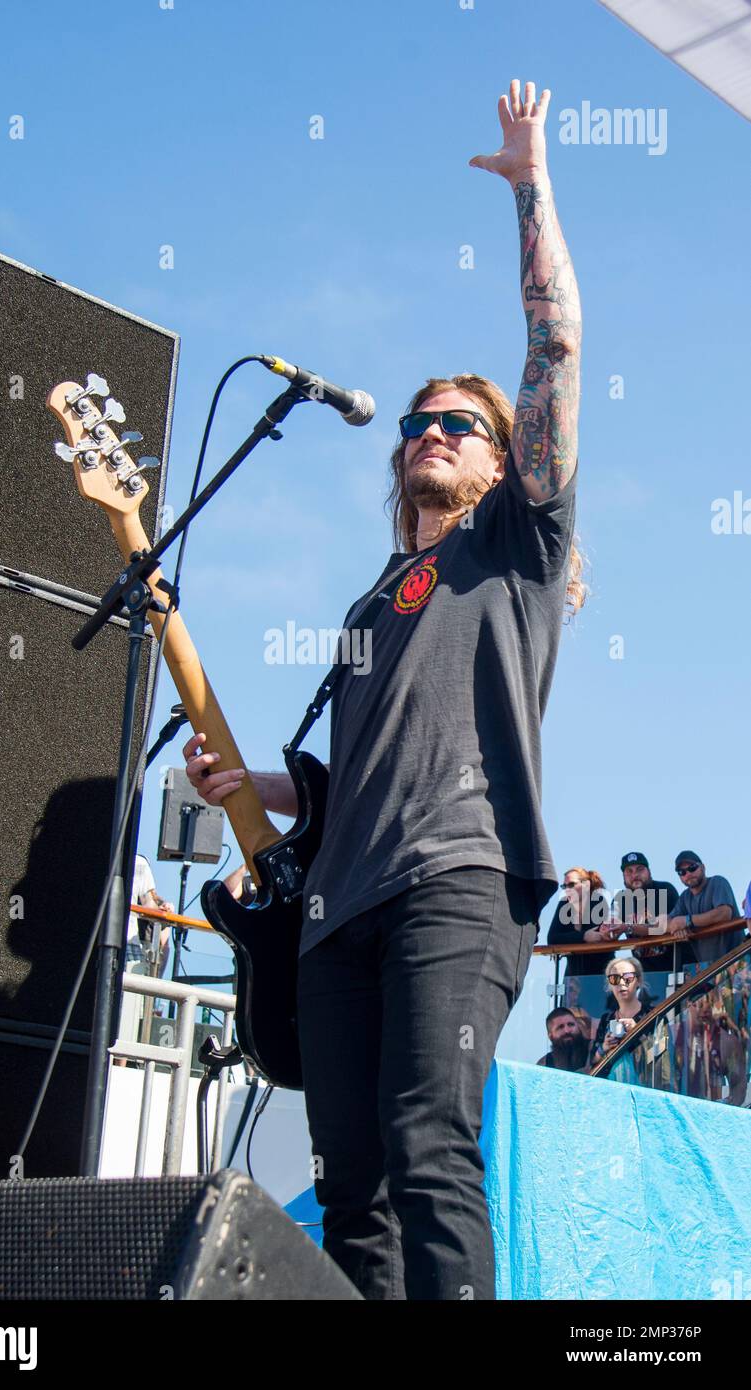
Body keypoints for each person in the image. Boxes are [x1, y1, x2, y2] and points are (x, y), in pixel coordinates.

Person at [184, 78, 583, 1301]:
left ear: (501, 452)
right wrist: (263, 784)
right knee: (352, 1187)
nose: (426, 432)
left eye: (456, 422)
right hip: (334, 910)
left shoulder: (511, 545)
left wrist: (529, 185)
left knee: (426, 1152)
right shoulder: (370, 602)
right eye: (413, 421)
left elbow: (554, 345)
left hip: (456, 879)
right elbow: (351, 772)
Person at [115, 853, 175, 1062]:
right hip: (98, 937)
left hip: (128, 942)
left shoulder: (139, 862)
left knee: (127, 1012)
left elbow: (148, 900)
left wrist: (162, 907)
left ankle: (120, 1066)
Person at [654, 852, 745, 972]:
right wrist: (676, 927)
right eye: (682, 872)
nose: (688, 874)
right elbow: (664, 923)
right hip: (708, 971)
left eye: (692, 868)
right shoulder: (685, 897)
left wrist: (687, 921)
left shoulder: (717, 882)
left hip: (737, 962)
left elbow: (724, 913)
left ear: (703, 867)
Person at [611, 851, 679, 970]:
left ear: (649, 872)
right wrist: (609, 932)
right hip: (643, 974)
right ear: (623, 877)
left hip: (675, 967)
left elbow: (669, 925)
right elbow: (610, 930)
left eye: (639, 869)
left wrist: (628, 927)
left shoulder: (665, 890)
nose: (635, 875)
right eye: (629, 872)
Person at [546, 867, 612, 976]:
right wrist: (584, 936)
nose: (567, 889)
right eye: (564, 886)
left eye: (571, 885)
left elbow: (597, 937)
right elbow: (552, 938)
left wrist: (569, 937)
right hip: (572, 977)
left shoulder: (598, 901)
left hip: (599, 975)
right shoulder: (564, 904)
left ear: (586, 885)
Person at [589, 957, 653, 1069]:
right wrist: (604, 1047)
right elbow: (592, 1061)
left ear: (638, 981)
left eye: (628, 977)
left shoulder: (653, 1015)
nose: (621, 983)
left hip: (644, 1084)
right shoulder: (606, 1019)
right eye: (614, 978)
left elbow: (663, 1052)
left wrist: (637, 1033)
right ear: (610, 985)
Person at [537, 1007, 591, 1072]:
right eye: (560, 1027)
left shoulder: (595, 1049)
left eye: (571, 1024)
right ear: (551, 1036)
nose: (567, 1030)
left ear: (578, 1027)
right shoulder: (544, 1065)